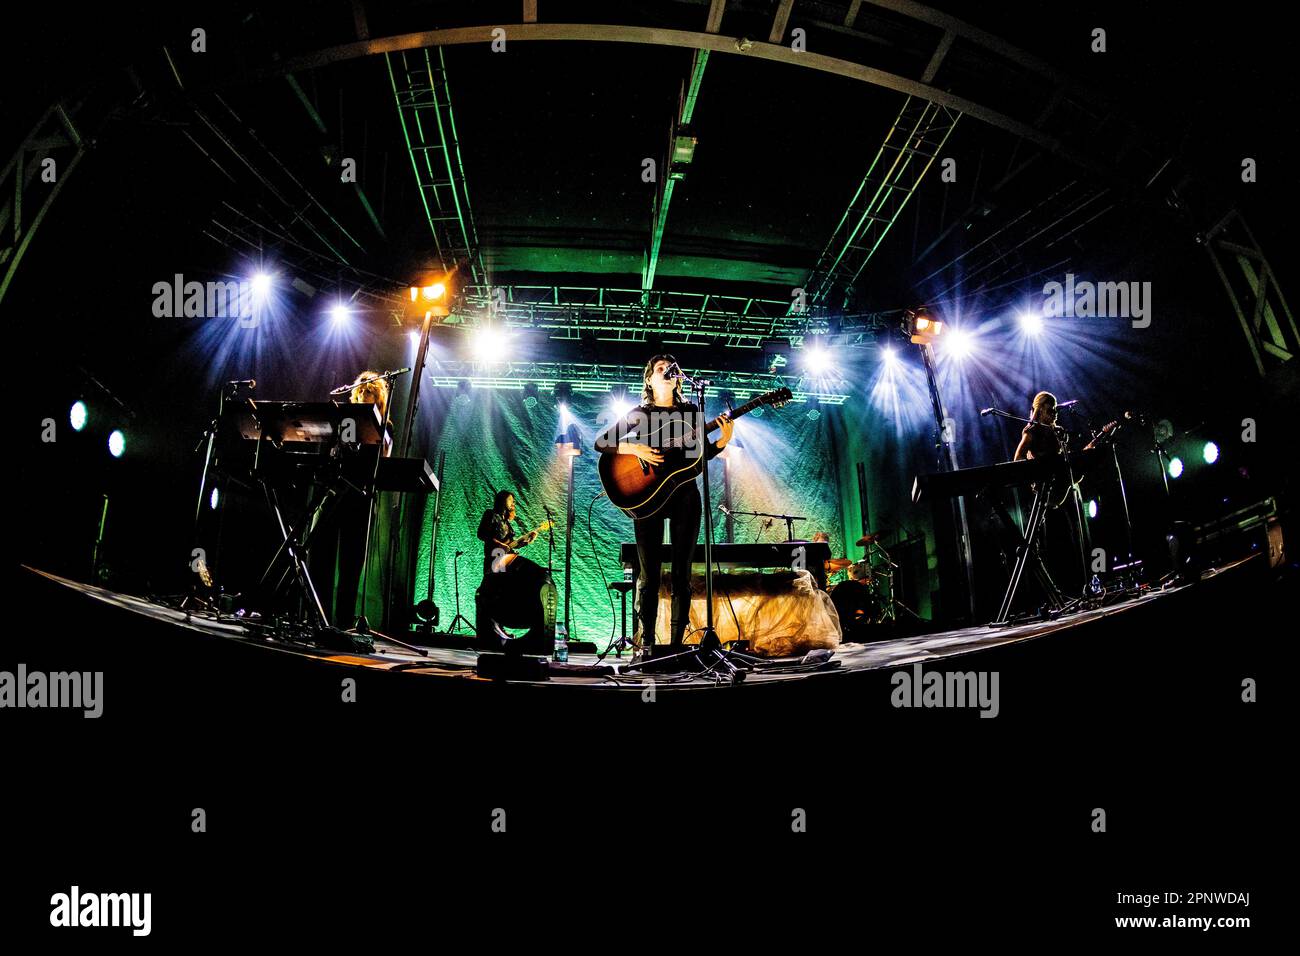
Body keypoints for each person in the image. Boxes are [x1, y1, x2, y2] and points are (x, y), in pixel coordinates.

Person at [594, 354, 733, 652]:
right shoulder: (639, 414)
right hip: (648, 498)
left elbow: (699, 456)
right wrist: (634, 448)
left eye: (672, 368)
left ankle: (676, 647)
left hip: (685, 496)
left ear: (679, 379)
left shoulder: (691, 411)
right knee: (650, 575)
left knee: (683, 573)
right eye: (660, 368)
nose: (667, 371)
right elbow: (601, 442)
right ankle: (647, 645)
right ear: (649, 379)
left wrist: (721, 442)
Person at [475, 490, 554, 653]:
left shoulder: (507, 523)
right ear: (502, 501)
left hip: (505, 559)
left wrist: (525, 541)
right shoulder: (491, 515)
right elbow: (482, 534)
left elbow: (511, 545)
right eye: (511, 500)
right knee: (491, 592)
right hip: (495, 557)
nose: (514, 503)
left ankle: (500, 629)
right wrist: (501, 545)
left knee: (503, 592)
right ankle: (489, 633)